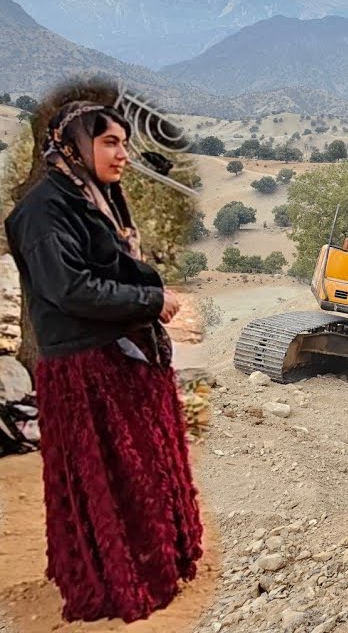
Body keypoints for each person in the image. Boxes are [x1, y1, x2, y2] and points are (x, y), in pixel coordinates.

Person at [3, 100, 203, 622]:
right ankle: (116, 583)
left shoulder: (95, 196)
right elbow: (70, 289)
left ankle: (153, 568)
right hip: (85, 369)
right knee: (110, 481)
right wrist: (151, 301)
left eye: (125, 143)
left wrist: (148, 300)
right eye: (110, 142)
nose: (122, 154)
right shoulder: (43, 211)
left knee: (139, 473)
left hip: (120, 357)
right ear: (73, 145)